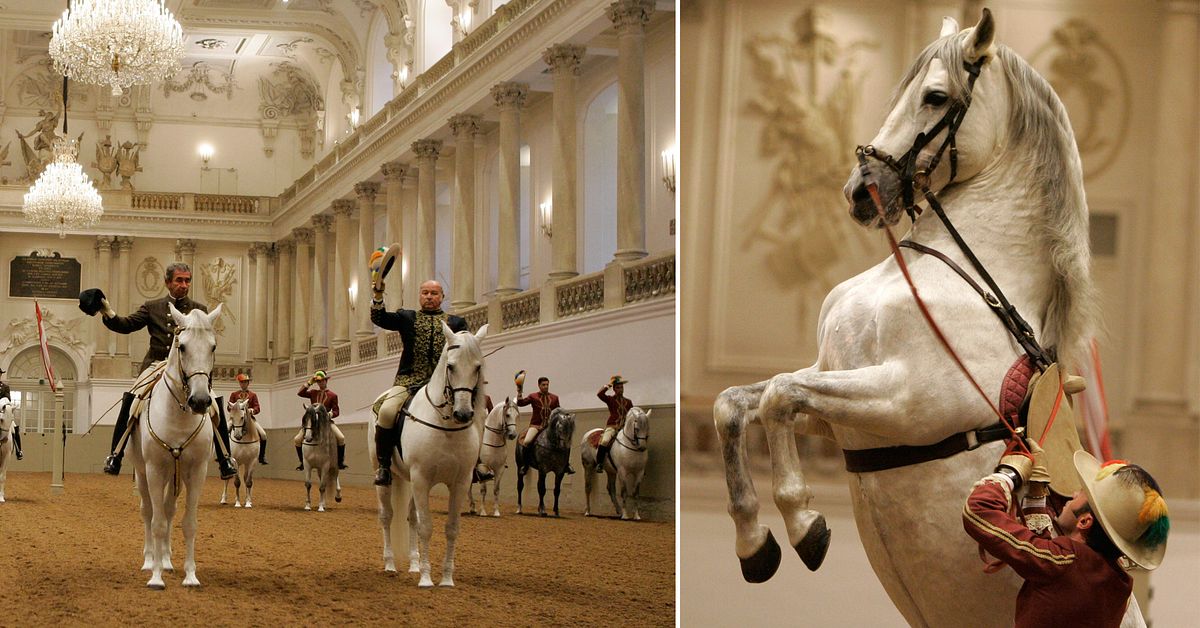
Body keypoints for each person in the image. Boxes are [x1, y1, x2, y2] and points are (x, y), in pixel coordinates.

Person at [963, 444, 1170, 628]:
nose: (1072, 495)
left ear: (1085, 521)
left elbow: (978, 511)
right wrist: (1036, 495)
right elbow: (1046, 552)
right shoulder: (1120, 585)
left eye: (1080, 493)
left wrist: (1009, 474)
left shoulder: (1065, 562)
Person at [91, 262, 236, 479]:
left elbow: (204, 346)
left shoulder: (200, 310)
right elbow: (126, 325)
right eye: (179, 280)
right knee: (132, 398)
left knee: (214, 402)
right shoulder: (153, 307)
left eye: (187, 280)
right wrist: (108, 312)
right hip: (156, 364)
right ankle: (116, 454)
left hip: (189, 368)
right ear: (168, 282)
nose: (184, 285)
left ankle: (225, 458)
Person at [369, 279, 468, 486]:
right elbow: (380, 318)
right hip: (408, 381)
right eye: (425, 293)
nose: (429, 297)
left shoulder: (456, 323)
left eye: (434, 293)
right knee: (386, 411)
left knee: (475, 410)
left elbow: (464, 349)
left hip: (445, 385)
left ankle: (476, 463)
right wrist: (378, 295)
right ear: (420, 296)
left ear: (442, 297)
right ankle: (385, 466)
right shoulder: (407, 317)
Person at [516, 375, 572, 474]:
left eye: (547, 384)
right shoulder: (533, 396)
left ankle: (566, 464)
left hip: (551, 427)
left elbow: (558, 410)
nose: (546, 386)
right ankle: (525, 465)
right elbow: (521, 403)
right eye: (543, 385)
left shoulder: (554, 398)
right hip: (536, 426)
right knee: (526, 442)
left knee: (565, 442)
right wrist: (519, 393)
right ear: (539, 385)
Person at [294, 371, 346, 470]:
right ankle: (302, 462)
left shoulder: (332, 395)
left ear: (326, 381)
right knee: (297, 439)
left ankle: (340, 462)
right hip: (312, 422)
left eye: (322, 381)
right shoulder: (313, 392)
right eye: (318, 382)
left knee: (341, 438)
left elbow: (336, 411)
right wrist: (309, 382)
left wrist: (330, 414)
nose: (320, 383)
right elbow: (300, 393)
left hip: (326, 422)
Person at [227, 373, 268, 464]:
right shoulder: (234, 394)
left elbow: (257, 408)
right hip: (236, 419)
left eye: (245, 382)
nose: (243, 384)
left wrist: (252, 410)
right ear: (239, 383)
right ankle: (225, 455)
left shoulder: (253, 395)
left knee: (263, 434)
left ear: (248, 383)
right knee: (225, 431)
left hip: (250, 420)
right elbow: (228, 407)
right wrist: (232, 408)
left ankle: (262, 456)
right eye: (242, 382)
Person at [595, 375, 633, 469]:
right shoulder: (610, 399)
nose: (621, 389)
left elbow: (631, 414)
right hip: (613, 426)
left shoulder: (628, 402)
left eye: (622, 387)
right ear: (614, 389)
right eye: (618, 388)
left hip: (625, 427)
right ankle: (599, 463)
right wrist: (608, 385)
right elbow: (600, 394)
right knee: (605, 441)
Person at [0, 368, 20, 460]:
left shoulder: (5, 387)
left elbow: (8, 399)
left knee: (14, 427)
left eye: (0, 374)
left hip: (2, 411)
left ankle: (19, 450)